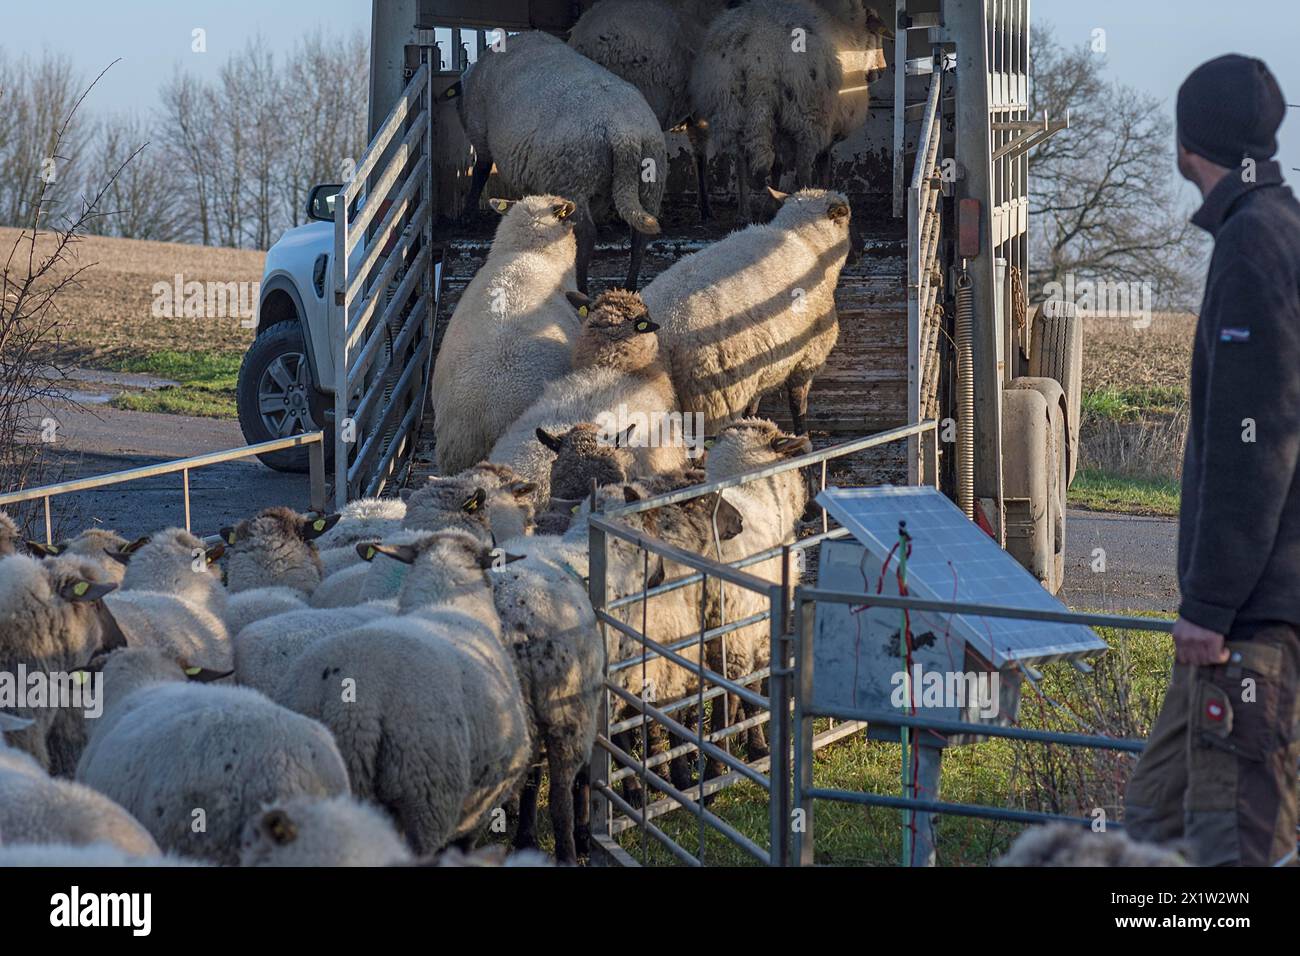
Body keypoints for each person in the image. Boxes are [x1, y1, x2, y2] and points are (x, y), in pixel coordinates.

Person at [1124, 54, 1300, 867]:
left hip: (1248, 624)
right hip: (1241, 613)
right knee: (1155, 820)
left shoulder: (1253, 246)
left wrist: (1212, 604)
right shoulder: (1276, 226)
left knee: (1226, 847)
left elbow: (1254, 441)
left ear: (1188, 145)